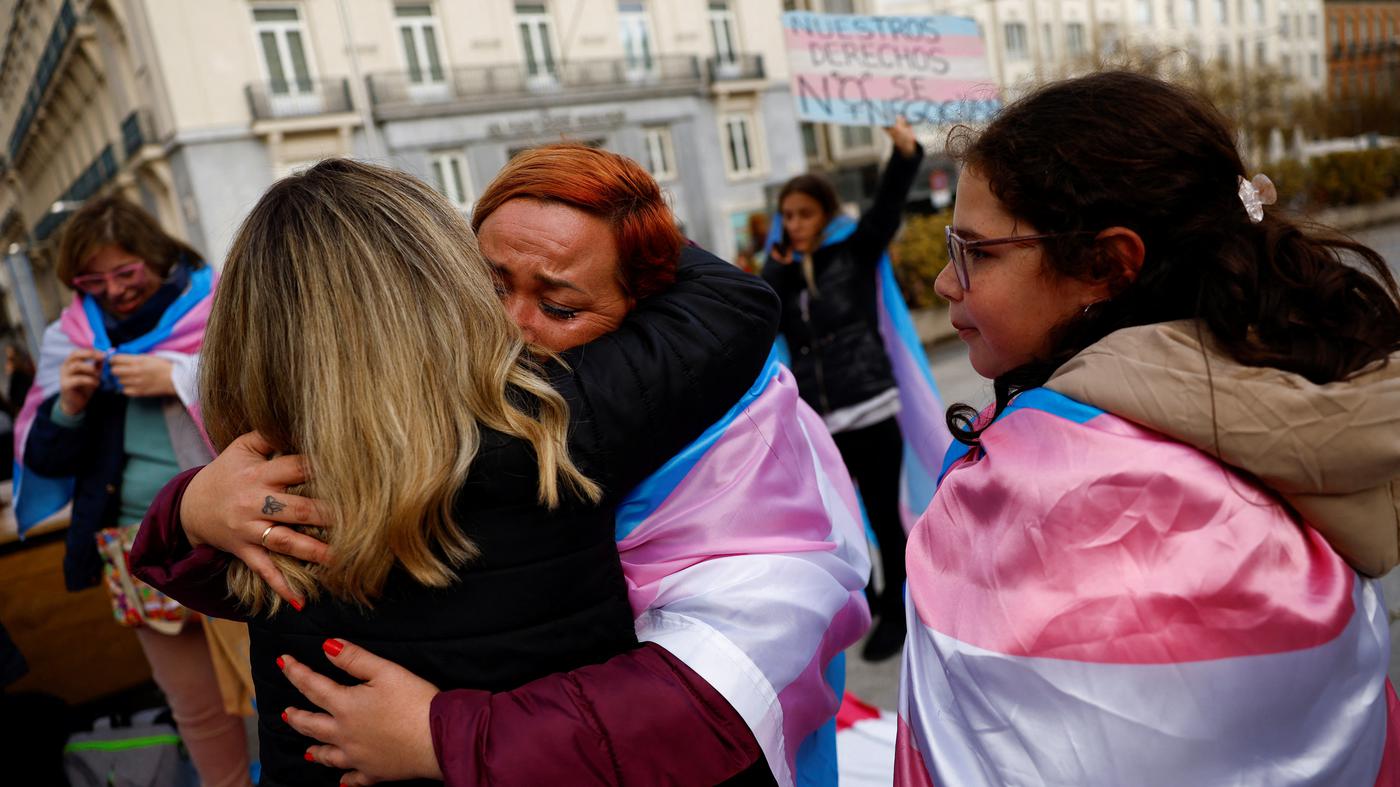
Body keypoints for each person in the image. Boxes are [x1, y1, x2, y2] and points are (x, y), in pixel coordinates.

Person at [131, 154, 857, 786]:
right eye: (489, 282)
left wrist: (189, 508)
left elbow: (719, 689)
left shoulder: (257, 481)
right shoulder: (555, 426)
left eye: (559, 304)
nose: (513, 325)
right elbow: (731, 302)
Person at [899, 71, 1400, 785]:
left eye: (977, 252)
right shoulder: (1279, 401)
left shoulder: (1050, 484)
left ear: (1107, 264)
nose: (946, 282)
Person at [15, 196, 251, 787]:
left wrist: (180, 376)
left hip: (231, 532)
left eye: (126, 272)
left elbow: (265, 390)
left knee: (271, 687)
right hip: (136, 547)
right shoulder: (71, 339)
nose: (114, 291)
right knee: (195, 708)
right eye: (93, 282)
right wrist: (69, 406)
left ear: (157, 255)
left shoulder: (221, 303)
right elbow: (42, 460)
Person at [763, 117, 925, 662]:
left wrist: (905, 153)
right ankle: (872, 595)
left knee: (882, 515)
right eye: (787, 215)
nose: (794, 224)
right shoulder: (783, 272)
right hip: (821, 423)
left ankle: (898, 612)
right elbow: (765, 320)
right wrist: (776, 271)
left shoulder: (852, 252)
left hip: (870, 407)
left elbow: (887, 208)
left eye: (804, 214)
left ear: (825, 214)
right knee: (842, 520)